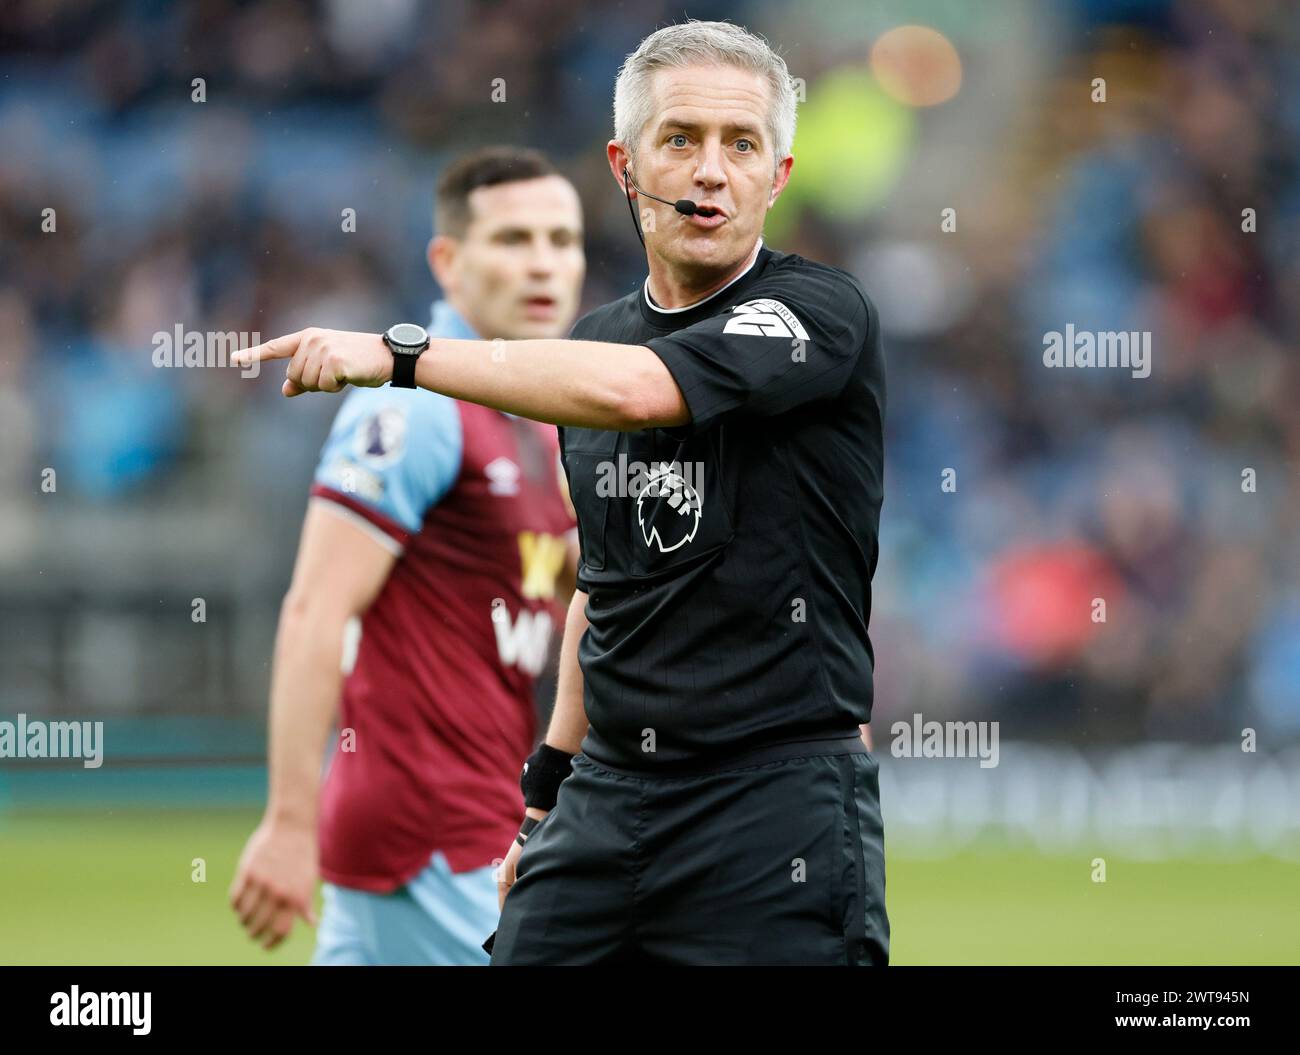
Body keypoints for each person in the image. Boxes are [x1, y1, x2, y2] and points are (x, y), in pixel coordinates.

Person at [233, 19, 889, 966]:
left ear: (777, 176)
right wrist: (543, 795)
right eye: (681, 140)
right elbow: (603, 587)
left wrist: (401, 353)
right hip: (606, 803)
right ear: (626, 168)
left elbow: (639, 390)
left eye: (741, 145)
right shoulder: (596, 339)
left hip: (772, 805)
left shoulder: (817, 315)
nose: (712, 171)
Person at [228, 146, 584, 965]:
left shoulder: (530, 414)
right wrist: (287, 823)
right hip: (433, 828)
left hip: (458, 817)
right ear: (449, 262)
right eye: (514, 239)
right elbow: (316, 607)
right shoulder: (413, 405)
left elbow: (563, 584)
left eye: (562, 241)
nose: (543, 264)